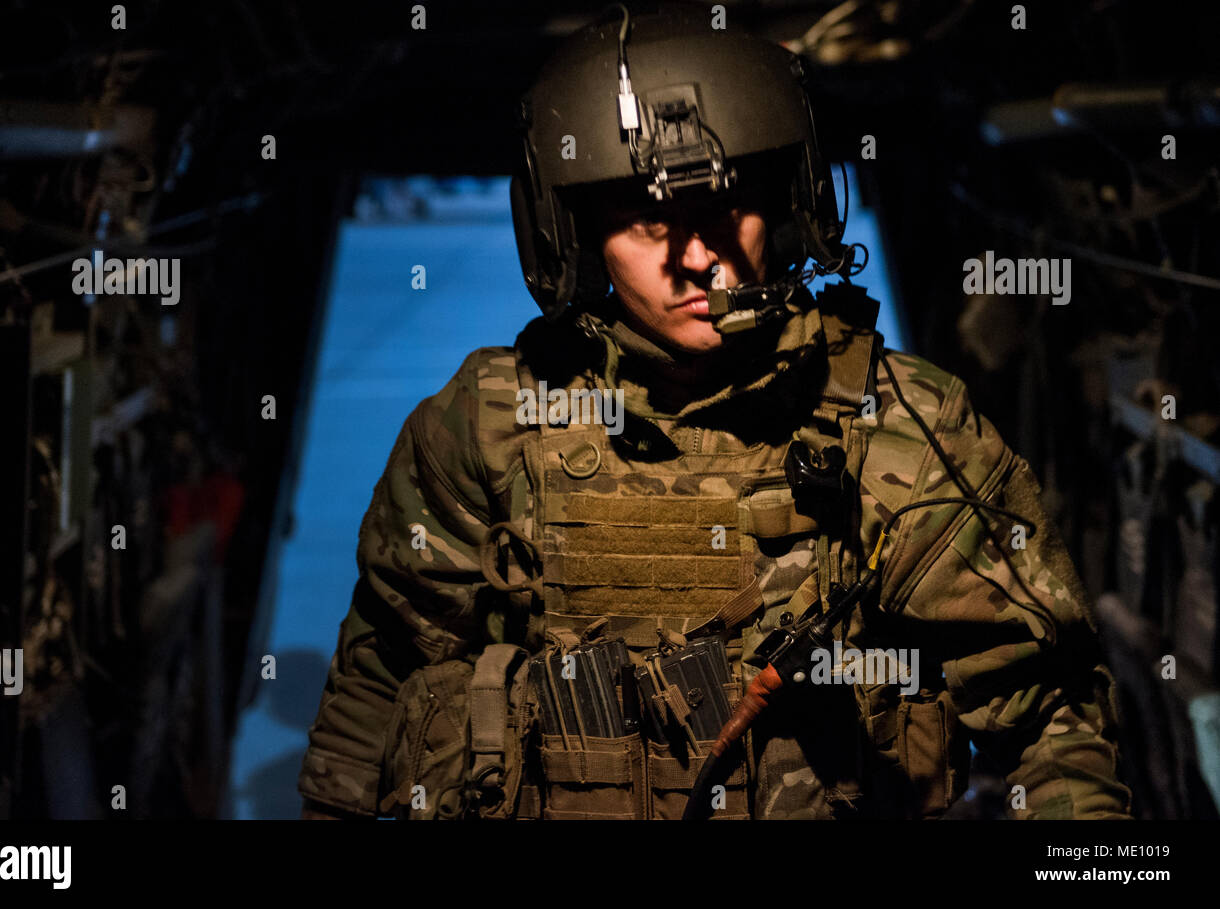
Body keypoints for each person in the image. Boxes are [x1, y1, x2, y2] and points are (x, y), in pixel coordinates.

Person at [298, 2, 1132, 820]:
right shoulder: (488, 426)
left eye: (728, 204)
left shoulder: (902, 429)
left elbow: (1051, 720)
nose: (699, 257)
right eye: (645, 217)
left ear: (791, 197)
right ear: (574, 232)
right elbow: (380, 681)